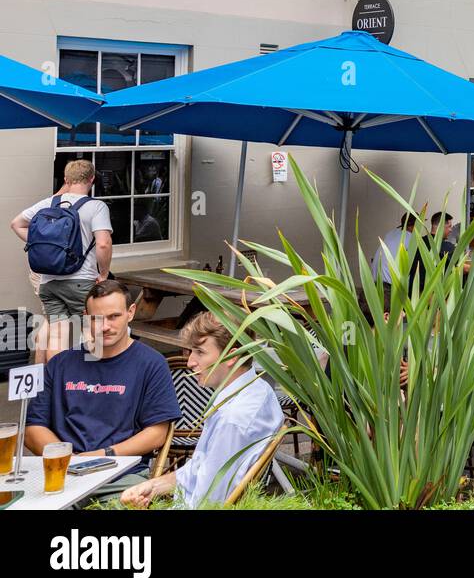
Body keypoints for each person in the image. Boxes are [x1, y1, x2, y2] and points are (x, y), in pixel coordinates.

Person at [24, 280, 180, 500]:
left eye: (114, 316)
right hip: (62, 474)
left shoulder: (151, 364)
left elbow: (157, 433)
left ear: (131, 312)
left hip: (121, 476)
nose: (105, 326)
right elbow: (32, 429)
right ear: (86, 316)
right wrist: (68, 460)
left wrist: (101, 457)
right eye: (97, 319)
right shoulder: (60, 364)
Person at [120, 311, 284, 508]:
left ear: (231, 355)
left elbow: (208, 501)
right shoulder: (257, 389)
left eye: (200, 352)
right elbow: (200, 470)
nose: (190, 362)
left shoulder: (233, 420)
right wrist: (154, 486)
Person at [11, 159, 113, 327]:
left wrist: (39, 241)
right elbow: (103, 244)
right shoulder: (97, 207)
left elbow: (16, 224)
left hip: (48, 283)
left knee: (58, 336)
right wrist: (103, 274)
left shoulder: (48, 204)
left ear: (66, 180)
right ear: (92, 179)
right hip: (81, 282)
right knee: (91, 334)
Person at [370, 211, 420, 284]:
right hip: (388, 284)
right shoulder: (410, 239)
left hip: (374, 279)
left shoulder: (392, 232)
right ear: (411, 226)